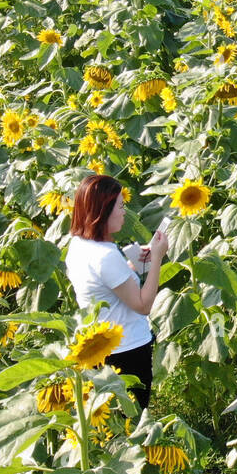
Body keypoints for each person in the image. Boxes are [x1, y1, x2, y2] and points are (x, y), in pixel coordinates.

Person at [64, 174, 168, 410]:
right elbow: (143, 305)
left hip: (99, 349)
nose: (124, 211)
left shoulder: (78, 245)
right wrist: (158, 258)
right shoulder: (106, 256)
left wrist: (133, 265)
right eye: (120, 206)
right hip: (127, 350)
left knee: (106, 423)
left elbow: (105, 283)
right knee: (130, 423)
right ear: (103, 211)